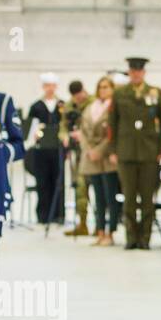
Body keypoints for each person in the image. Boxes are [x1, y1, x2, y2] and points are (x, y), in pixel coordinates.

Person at [108, 57, 161, 250]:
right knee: (128, 199)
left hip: (149, 153)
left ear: (144, 73)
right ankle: (130, 237)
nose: (136, 73)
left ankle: (145, 238)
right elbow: (112, 123)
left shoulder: (156, 93)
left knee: (147, 199)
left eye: (139, 70)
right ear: (129, 72)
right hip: (126, 152)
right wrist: (113, 149)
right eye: (133, 70)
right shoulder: (119, 94)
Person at [77, 76, 119, 246]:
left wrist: (100, 151)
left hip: (107, 157)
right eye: (101, 87)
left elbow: (113, 133)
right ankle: (100, 231)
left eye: (107, 87)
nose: (103, 90)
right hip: (91, 158)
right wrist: (89, 151)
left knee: (111, 197)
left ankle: (111, 232)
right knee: (98, 198)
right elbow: (83, 132)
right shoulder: (90, 108)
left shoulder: (114, 108)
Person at [23, 73, 65, 226]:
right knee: (43, 182)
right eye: (47, 86)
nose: (50, 89)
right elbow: (30, 125)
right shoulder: (36, 106)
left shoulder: (61, 105)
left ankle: (58, 215)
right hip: (41, 150)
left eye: (52, 86)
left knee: (58, 181)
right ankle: (43, 215)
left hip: (57, 149)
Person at [62, 80, 91, 237]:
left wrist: (83, 135)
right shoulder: (69, 105)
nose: (77, 99)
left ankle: (102, 227)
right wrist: (65, 136)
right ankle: (83, 223)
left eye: (79, 95)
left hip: (92, 153)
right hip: (77, 154)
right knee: (80, 188)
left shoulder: (93, 103)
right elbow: (63, 126)